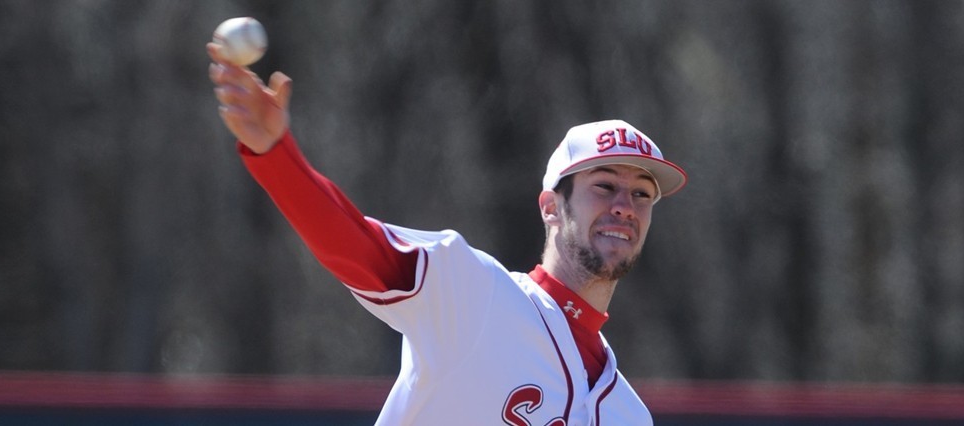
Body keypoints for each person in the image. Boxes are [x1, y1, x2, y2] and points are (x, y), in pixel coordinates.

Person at [207, 41, 687, 425]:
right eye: (604, 186)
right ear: (550, 207)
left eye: (642, 194)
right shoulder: (473, 293)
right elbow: (357, 248)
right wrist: (277, 157)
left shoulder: (628, 414)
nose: (624, 206)